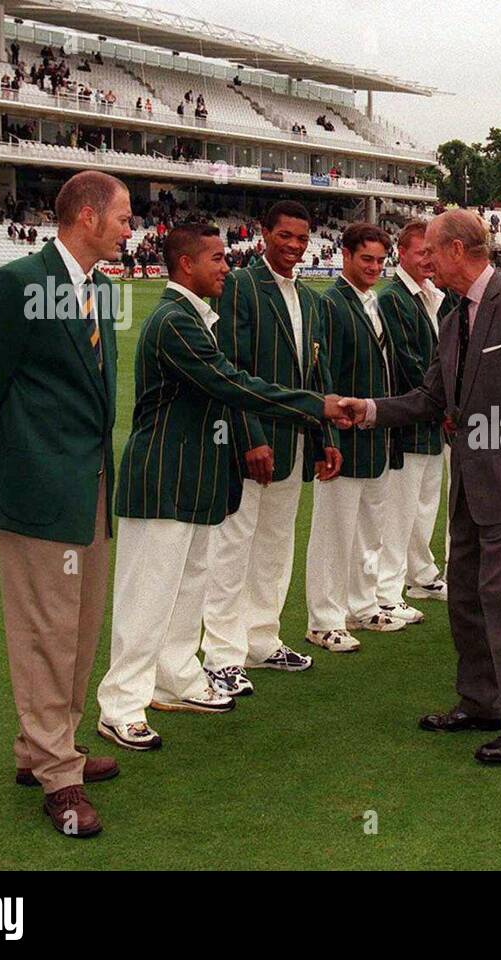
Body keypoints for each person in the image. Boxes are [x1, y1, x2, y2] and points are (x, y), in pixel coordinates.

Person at [338, 210, 501, 764]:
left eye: (429, 252)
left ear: (454, 250)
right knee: (466, 592)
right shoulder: (454, 316)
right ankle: (481, 703)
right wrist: (369, 410)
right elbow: (430, 397)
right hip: (471, 480)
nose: (423, 261)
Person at [97, 223, 346, 752]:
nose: (226, 269)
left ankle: (177, 676)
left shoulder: (195, 319)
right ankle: (120, 704)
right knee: (147, 597)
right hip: (163, 479)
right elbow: (232, 384)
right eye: (217, 259)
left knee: (189, 587)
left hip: (196, 481)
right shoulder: (174, 321)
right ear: (186, 264)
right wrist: (315, 406)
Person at [0, 171, 134, 838]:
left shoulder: (102, 291)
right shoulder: (19, 284)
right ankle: (60, 775)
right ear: (87, 217)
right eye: (122, 216)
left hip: (89, 485)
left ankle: (43, 749)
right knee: (45, 632)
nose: (128, 228)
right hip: (35, 486)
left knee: (81, 628)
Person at [200, 201, 338, 698]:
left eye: (302, 238)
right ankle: (220, 655)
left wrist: (325, 439)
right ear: (263, 234)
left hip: (296, 442)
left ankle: (262, 638)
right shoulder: (238, 286)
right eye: (285, 236)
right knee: (233, 548)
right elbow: (229, 368)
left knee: (276, 546)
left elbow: (316, 376)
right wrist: (250, 436)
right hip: (252, 443)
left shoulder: (310, 298)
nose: (295, 246)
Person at [305, 223, 402, 651]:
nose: (375, 268)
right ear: (344, 255)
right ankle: (324, 619)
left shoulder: (374, 302)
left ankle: (361, 605)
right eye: (367, 259)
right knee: (333, 532)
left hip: (375, 435)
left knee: (368, 528)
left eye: (381, 261)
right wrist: (327, 434)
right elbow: (323, 375)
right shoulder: (331, 303)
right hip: (343, 435)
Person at [374, 220, 449, 615]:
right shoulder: (394, 299)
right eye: (420, 252)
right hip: (409, 418)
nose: (427, 260)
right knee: (399, 509)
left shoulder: (432, 295)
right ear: (401, 252)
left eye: (431, 252)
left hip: (432, 419)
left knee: (425, 504)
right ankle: (387, 592)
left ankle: (421, 574)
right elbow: (410, 364)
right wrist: (447, 402)